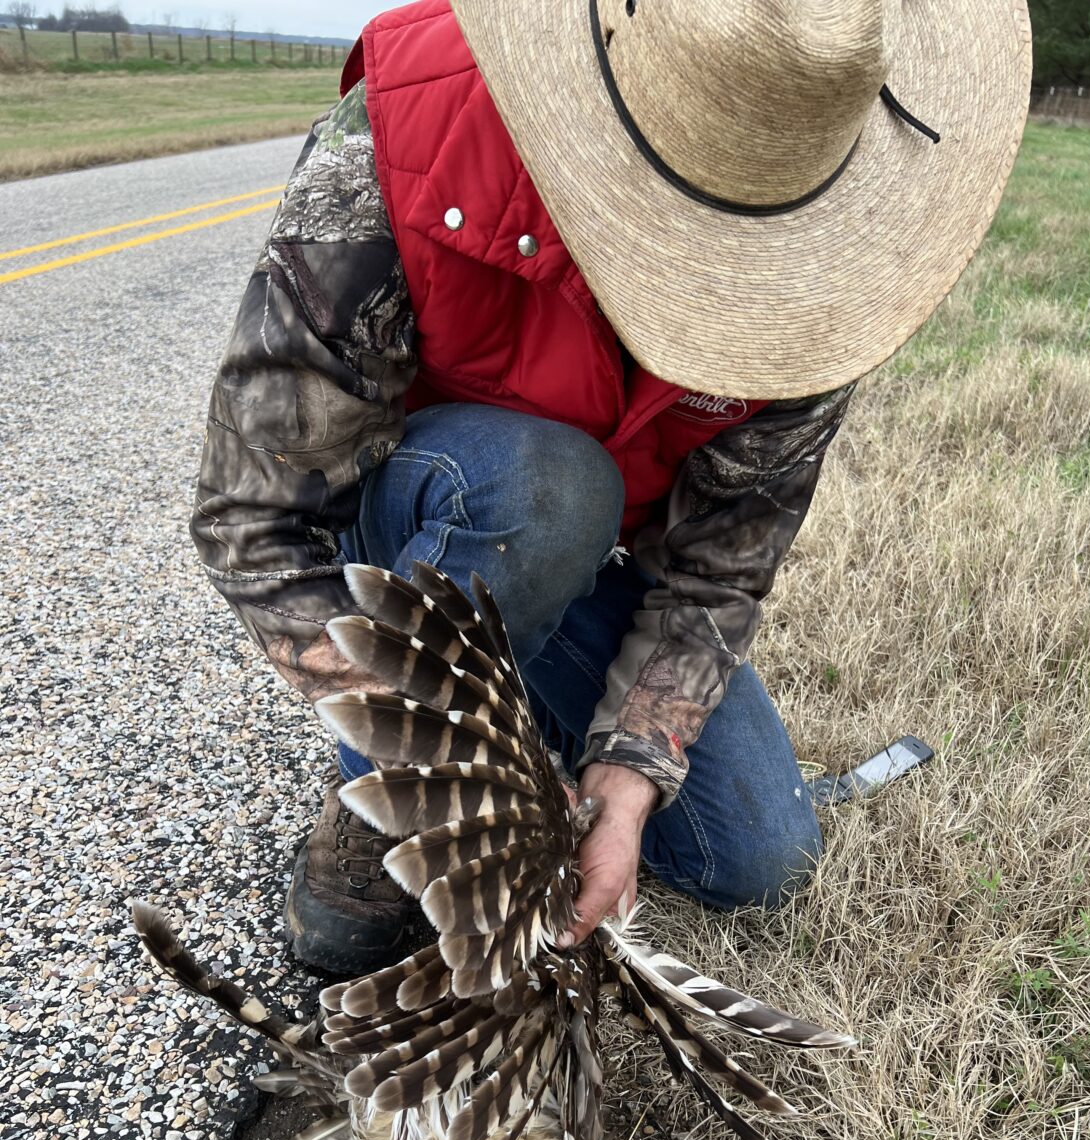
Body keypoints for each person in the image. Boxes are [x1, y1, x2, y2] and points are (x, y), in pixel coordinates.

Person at [192, 0, 1031, 976]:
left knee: (761, 855)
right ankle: (382, 802)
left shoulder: (837, 286)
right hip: (431, 520)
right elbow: (255, 520)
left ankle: (527, 694)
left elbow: (718, 573)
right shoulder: (405, 128)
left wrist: (627, 781)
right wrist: (447, 760)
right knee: (551, 491)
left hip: (593, 561)